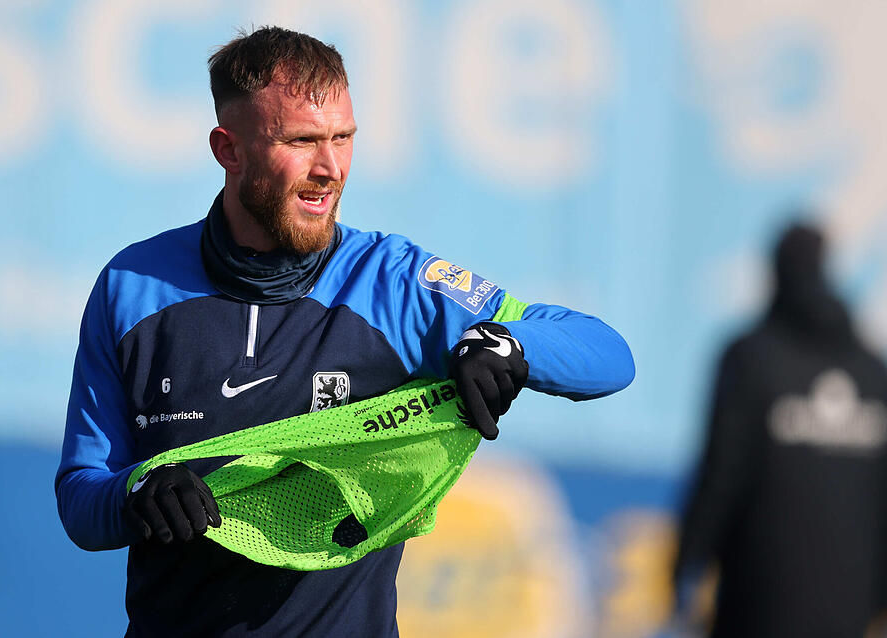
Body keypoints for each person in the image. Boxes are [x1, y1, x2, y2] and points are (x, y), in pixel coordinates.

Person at [55, 26, 635, 637]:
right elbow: (80, 498)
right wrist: (137, 494)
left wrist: (507, 344)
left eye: (343, 138)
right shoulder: (132, 286)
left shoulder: (392, 283)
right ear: (228, 150)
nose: (330, 168)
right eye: (302, 141)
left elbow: (609, 355)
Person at [673, 223, 887, 638]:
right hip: (851, 605)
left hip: (759, 598)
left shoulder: (752, 358)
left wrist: (687, 561)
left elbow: (721, 474)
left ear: (774, 273)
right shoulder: (873, 373)